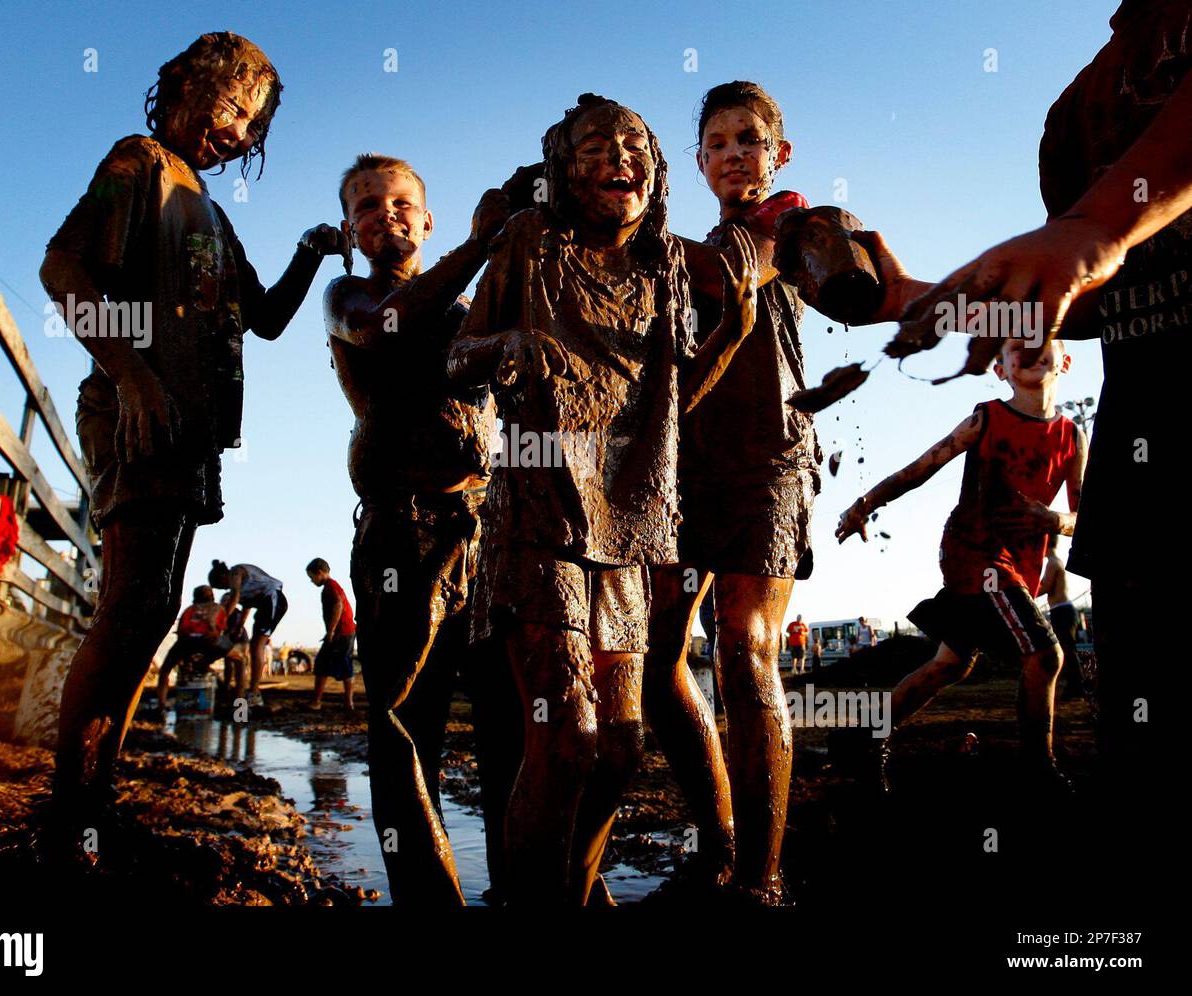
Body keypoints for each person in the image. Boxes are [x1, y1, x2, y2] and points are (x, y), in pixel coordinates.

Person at [857, 3, 1190, 796]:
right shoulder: (1077, 112)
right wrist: (918, 299)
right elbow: (1087, 297)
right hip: (1140, 463)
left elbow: (1092, 242)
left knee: (1027, 658)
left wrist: (1101, 223)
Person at [449, 93, 762, 904]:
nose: (619, 158)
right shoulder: (531, 241)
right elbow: (455, 359)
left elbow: (673, 403)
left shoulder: (664, 268)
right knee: (566, 740)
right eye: (595, 147)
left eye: (634, 147)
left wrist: (732, 331)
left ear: (655, 175)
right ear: (562, 168)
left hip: (626, 526)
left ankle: (574, 891)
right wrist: (508, 342)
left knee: (620, 750)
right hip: (541, 514)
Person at [37, 32, 347, 851]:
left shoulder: (209, 211)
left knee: (150, 612)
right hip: (136, 413)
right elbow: (62, 269)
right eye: (232, 107)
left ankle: (95, 796)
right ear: (182, 85)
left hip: (188, 433)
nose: (238, 132)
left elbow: (266, 318)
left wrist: (311, 252)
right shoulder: (138, 164)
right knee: (131, 604)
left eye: (253, 124)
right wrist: (132, 377)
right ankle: (70, 811)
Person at [640, 80, 815, 903]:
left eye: (749, 139)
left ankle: (761, 880)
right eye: (716, 143)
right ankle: (718, 843)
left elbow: (730, 273)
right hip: (686, 472)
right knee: (655, 660)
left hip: (769, 461)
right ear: (699, 162)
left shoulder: (789, 220)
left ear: (779, 153)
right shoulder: (692, 245)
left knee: (744, 647)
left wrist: (620, 233)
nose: (733, 153)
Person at [325, 153, 508, 905]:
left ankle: (519, 888)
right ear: (350, 231)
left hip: (487, 528)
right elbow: (387, 330)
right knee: (406, 722)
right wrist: (481, 244)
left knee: (508, 721)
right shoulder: (350, 298)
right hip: (403, 532)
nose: (385, 214)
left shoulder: (469, 310)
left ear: (426, 219)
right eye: (366, 207)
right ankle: (428, 901)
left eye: (399, 202)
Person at [838, 339, 1087, 788]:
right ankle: (1040, 772)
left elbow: (1083, 517)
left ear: (1065, 361)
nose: (1030, 349)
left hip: (1019, 562)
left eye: (1041, 339)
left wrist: (1052, 520)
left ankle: (862, 739)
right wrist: (864, 504)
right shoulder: (986, 419)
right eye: (1017, 346)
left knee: (951, 664)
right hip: (974, 553)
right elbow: (922, 467)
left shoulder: (1072, 437)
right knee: (1046, 655)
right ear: (1000, 369)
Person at [208, 561, 287, 706]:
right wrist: (239, 626)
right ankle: (252, 691)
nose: (226, 589)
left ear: (223, 576)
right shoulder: (244, 590)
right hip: (265, 604)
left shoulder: (236, 572)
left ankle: (254, 692)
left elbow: (234, 598)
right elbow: (246, 607)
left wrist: (220, 623)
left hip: (273, 599)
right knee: (254, 646)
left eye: (222, 586)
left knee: (257, 646)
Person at [156, 585, 230, 711]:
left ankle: (161, 705)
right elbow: (220, 630)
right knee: (236, 655)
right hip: (209, 642)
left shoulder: (188, 610)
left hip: (187, 642)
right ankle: (234, 695)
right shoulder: (218, 608)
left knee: (165, 670)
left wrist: (184, 658)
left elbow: (181, 632)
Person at [306, 559, 357, 712]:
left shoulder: (331, 586)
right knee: (332, 663)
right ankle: (344, 703)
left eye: (312, 577)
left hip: (342, 633)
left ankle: (320, 702)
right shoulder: (331, 586)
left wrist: (331, 631)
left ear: (320, 573)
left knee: (329, 664)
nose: (311, 581)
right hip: (344, 632)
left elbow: (338, 605)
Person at [1040, 536, 1083, 701]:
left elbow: (1045, 586)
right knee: (1067, 649)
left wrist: (1024, 592)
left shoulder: (1052, 563)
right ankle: (1076, 686)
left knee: (1067, 650)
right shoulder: (1055, 562)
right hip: (1062, 610)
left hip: (1062, 611)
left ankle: (1077, 687)